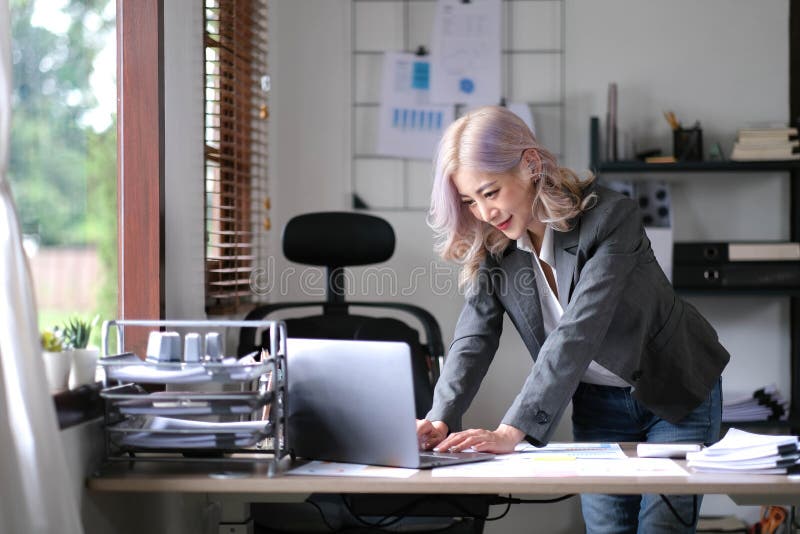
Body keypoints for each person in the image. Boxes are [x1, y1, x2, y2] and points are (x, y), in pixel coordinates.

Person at [416, 105, 730, 533]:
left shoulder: (610, 219)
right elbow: (473, 336)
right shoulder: (496, 247)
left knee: (662, 529)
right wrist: (440, 416)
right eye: (470, 201)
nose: (484, 213)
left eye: (490, 193)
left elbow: (577, 331)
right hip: (599, 405)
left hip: (672, 389)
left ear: (529, 164)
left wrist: (512, 431)